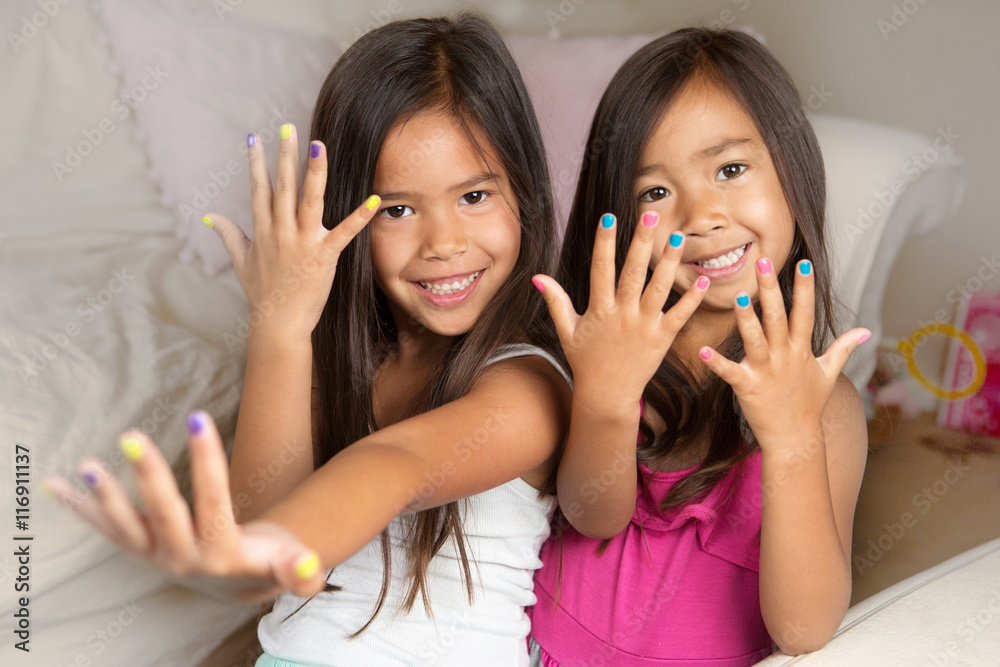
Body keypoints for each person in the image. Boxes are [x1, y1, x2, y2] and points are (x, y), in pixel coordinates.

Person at [43, 14, 572, 666]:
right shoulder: (350, 365)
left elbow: (399, 465)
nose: (445, 243)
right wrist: (281, 328)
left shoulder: (530, 382)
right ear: (348, 220)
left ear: (524, 189)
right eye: (398, 210)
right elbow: (263, 519)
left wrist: (258, 546)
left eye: (474, 195)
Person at [527, 27, 870, 666]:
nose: (701, 215)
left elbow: (804, 630)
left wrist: (793, 438)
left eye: (731, 170)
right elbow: (591, 516)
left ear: (793, 167)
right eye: (655, 192)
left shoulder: (825, 403)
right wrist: (605, 397)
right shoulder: (617, 347)